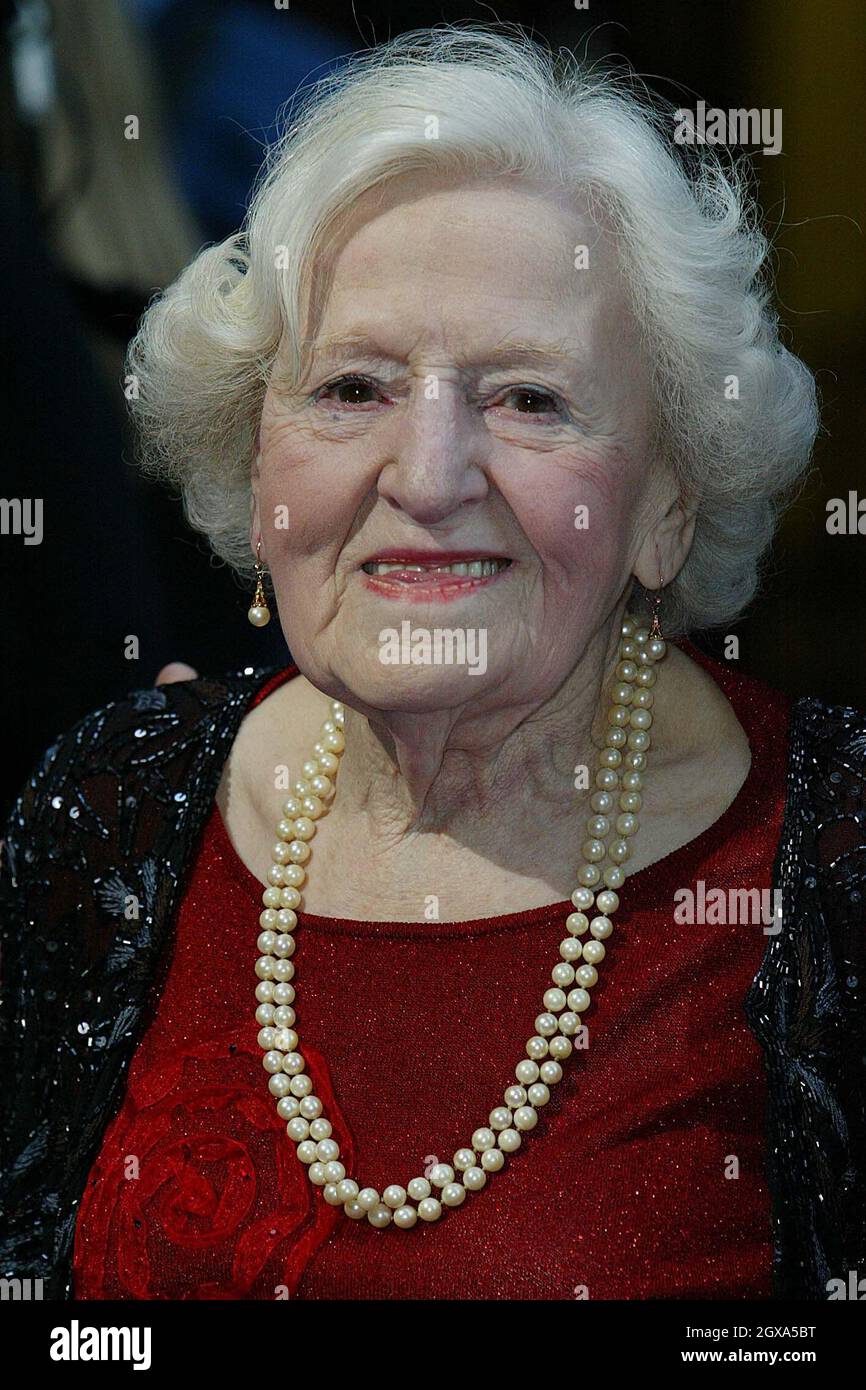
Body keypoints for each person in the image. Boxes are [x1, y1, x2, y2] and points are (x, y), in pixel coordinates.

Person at [1, 27, 864, 1302]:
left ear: (666, 502)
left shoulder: (829, 854)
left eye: (529, 400)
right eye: (352, 389)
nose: (427, 475)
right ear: (255, 464)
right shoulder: (117, 809)